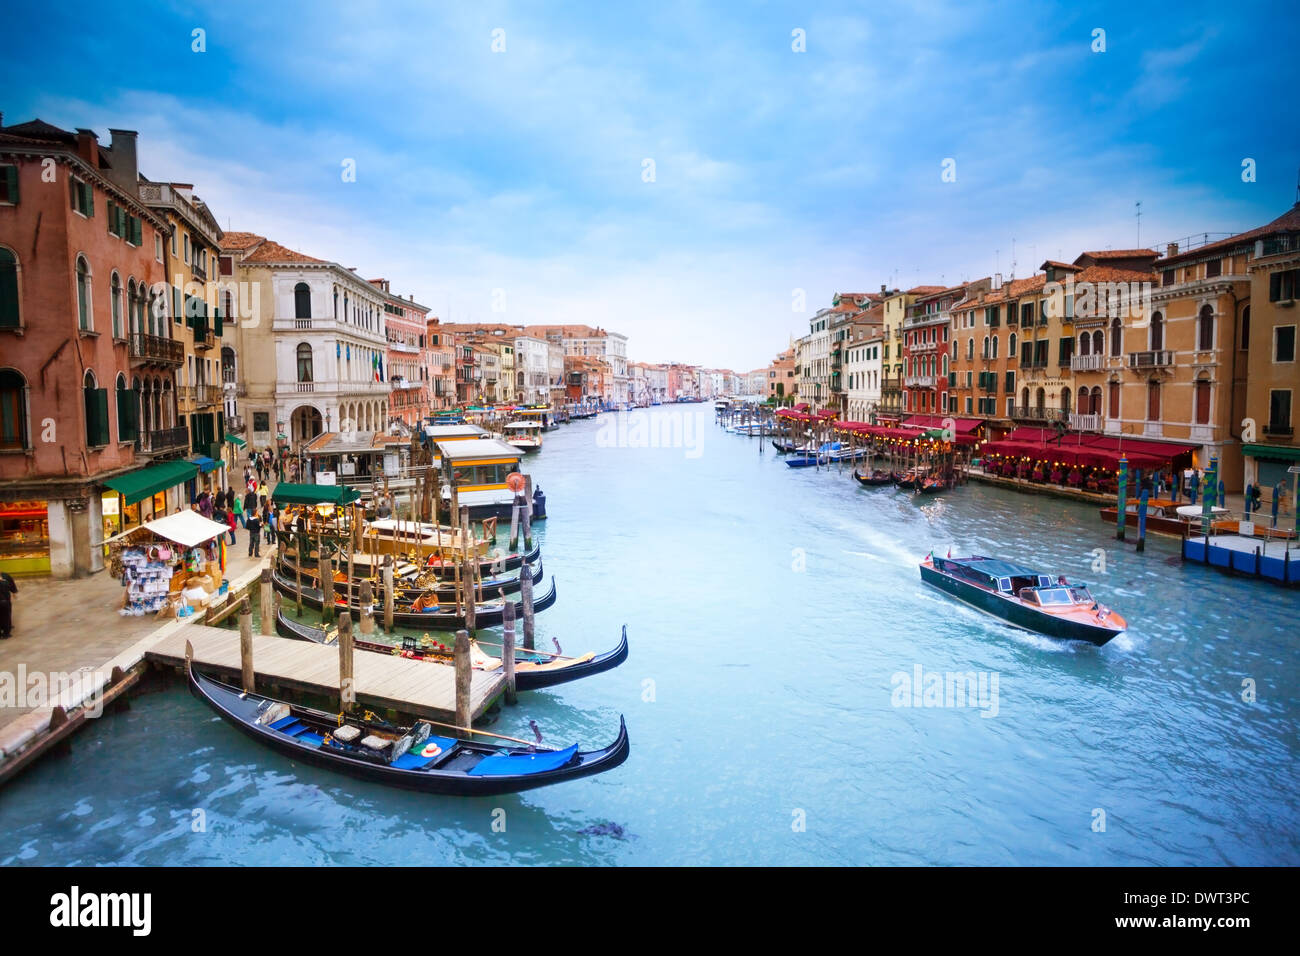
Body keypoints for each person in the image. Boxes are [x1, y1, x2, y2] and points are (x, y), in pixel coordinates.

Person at [0, 571, 16, 639]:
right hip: (4, 602)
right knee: (6, 617)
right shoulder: (4, 582)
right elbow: (9, 586)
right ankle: (6, 634)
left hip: (4, 602)